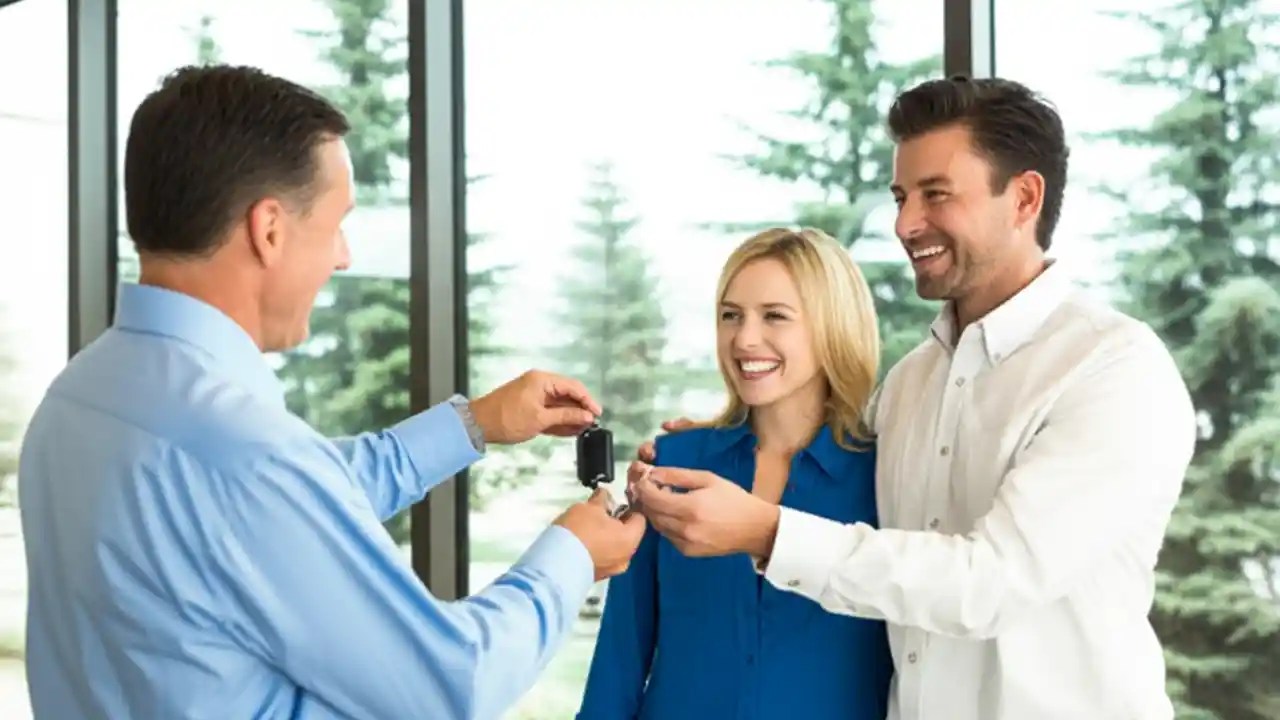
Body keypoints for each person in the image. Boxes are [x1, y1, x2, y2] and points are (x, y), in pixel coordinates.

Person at [19, 64, 646, 720]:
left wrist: (475, 424)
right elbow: (453, 684)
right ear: (270, 230)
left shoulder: (79, 398)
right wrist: (571, 556)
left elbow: (292, 503)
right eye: (337, 222)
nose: (343, 256)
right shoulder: (245, 454)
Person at [629, 76, 1196, 720]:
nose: (904, 224)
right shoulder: (908, 385)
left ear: (1024, 198)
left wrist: (765, 531)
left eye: (936, 195)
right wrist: (719, 441)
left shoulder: (1112, 369)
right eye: (901, 196)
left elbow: (990, 584)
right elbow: (822, 456)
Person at [576, 228, 893, 719]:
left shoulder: (886, 477)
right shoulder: (673, 463)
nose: (744, 339)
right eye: (731, 315)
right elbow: (620, 656)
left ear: (832, 327)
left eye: (775, 316)